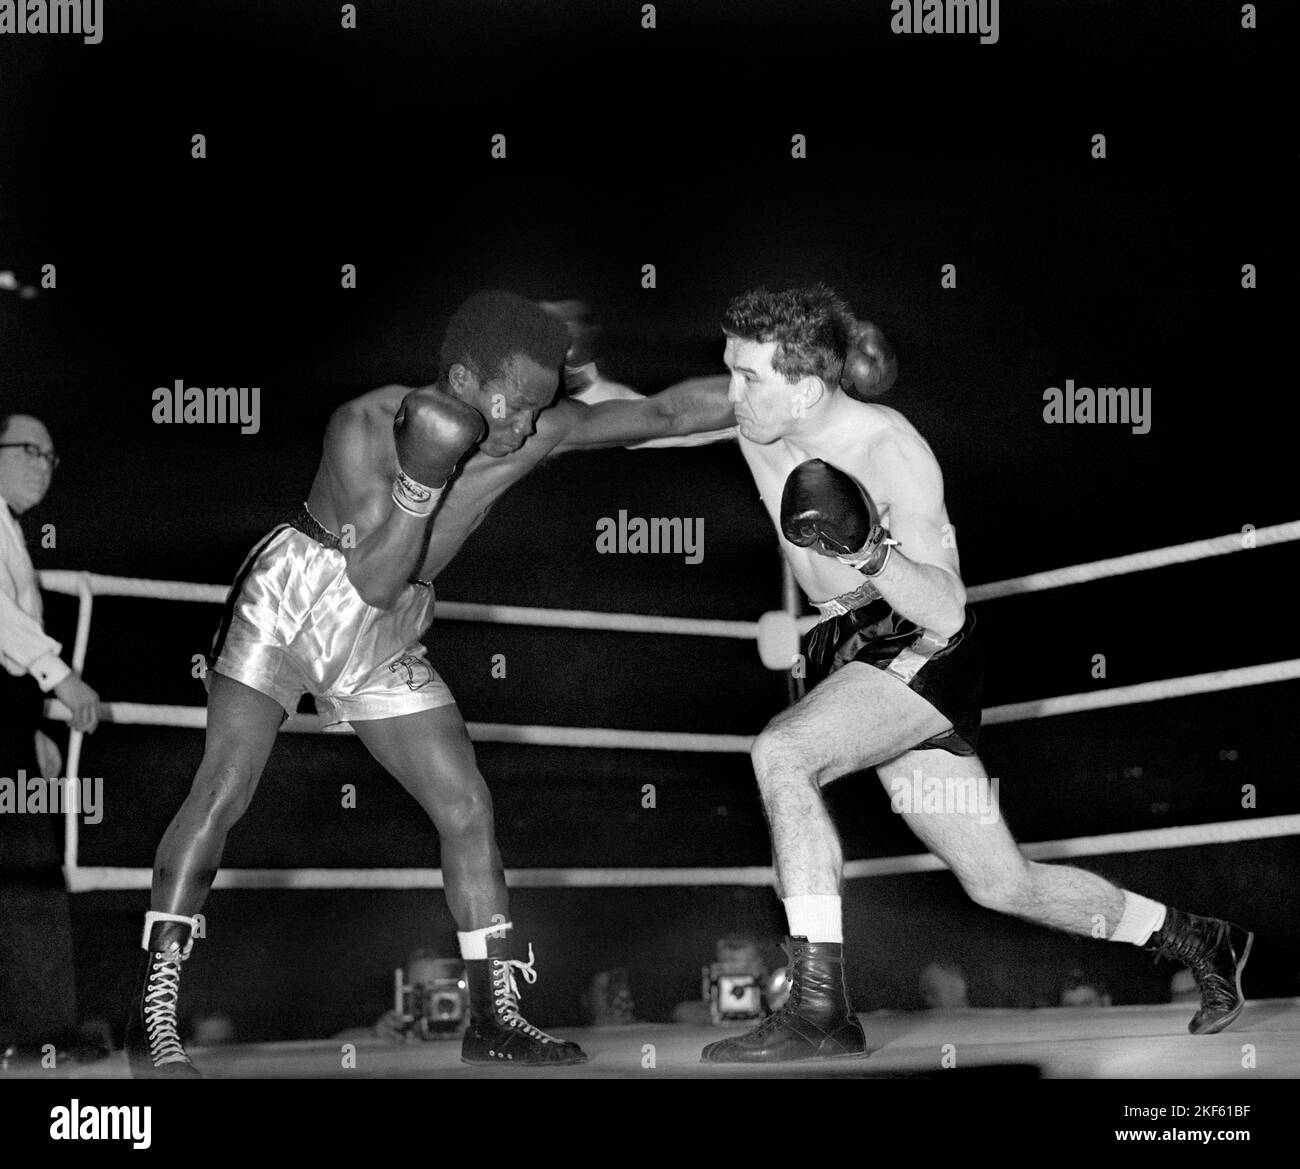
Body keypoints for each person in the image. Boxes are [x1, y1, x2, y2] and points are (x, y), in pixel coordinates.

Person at [127, 291, 735, 1076]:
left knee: (466, 803)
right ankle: (158, 1013)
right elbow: (376, 578)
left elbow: (666, 416)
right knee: (225, 788)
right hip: (294, 598)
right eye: (512, 406)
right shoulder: (362, 426)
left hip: (386, 627)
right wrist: (424, 476)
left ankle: (494, 1016)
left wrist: (797, 391)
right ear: (458, 378)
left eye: (538, 410)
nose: (523, 429)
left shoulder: (529, 426)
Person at [696, 284, 1253, 1063]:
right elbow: (656, 418)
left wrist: (868, 551)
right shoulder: (757, 408)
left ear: (807, 386)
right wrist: (550, 426)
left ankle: (821, 1006)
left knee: (783, 753)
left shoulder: (892, 451)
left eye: (747, 376)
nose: (729, 393)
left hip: (913, 641)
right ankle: (1200, 939)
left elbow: (948, 609)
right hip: (840, 650)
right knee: (1000, 881)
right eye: (730, 369)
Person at [0, 413, 104, 1061]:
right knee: (25, 868)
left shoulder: (9, 526)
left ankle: (35, 1028)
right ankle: (40, 1031)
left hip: (9, 714)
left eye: (51, 455)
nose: (44, 463)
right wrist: (60, 678)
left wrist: (33, 717)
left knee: (28, 866)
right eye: (31, 450)